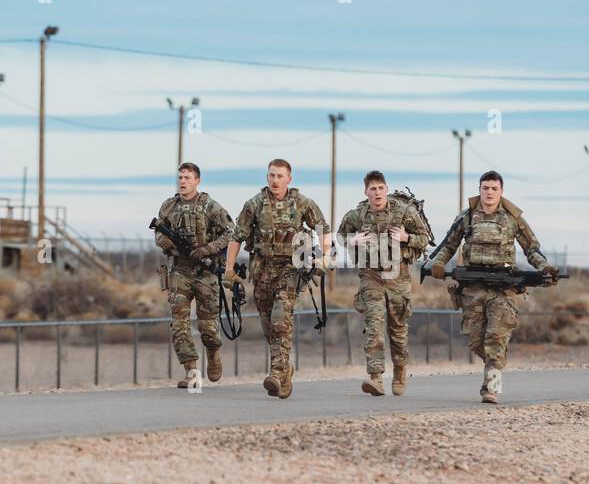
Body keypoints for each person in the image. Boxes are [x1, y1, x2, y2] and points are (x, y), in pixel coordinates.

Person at [429, 170, 559, 404]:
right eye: (485, 188)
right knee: (477, 341)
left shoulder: (512, 218)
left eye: (494, 189)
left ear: (501, 191)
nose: (489, 193)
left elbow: (532, 248)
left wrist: (545, 267)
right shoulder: (467, 216)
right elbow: (448, 245)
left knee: (495, 339)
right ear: (479, 189)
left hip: (503, 289)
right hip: (472, 289)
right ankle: (495, 361)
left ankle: (491, 388)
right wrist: (437, 264)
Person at [224, 159, 331, 399]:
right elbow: (237, 236)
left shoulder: (303, 203)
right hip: (262, 270)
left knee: (280, 318)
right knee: (267, 325)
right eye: (271, 175)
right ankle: (285, 370)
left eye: (280, 176)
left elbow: (323, 228)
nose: (275, 180)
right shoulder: (254, 204)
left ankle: (276, 371)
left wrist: (323, 257)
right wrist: (228, 270)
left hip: (290, 269)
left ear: (289, 179)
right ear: (267, 177)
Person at [336, 171, 428, 396]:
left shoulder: (404, 212)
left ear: (386, 189)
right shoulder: (357, 215)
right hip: (371, 276)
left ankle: (399, 370)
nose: (377, 192)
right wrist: (352, 239)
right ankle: (376, 378)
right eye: (372, 189)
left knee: (398, 329)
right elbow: (340, 236)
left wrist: (407, 238)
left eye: (380, 188)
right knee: (374, 327)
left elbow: (424, 238)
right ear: (366, 191)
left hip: (398, 277)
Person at [154, 162, 233, 388]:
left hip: (205, 272)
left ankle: (213, 352)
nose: (183, 182)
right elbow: (158, 233)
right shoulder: (169, 207)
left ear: (197, 180)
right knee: (179, 324)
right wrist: (165, 242)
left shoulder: (210, 206)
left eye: (187, 178)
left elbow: (230, 232)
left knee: (207, 326)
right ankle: (191, 371)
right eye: (180, 177)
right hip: (179, 270)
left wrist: (207, 250)